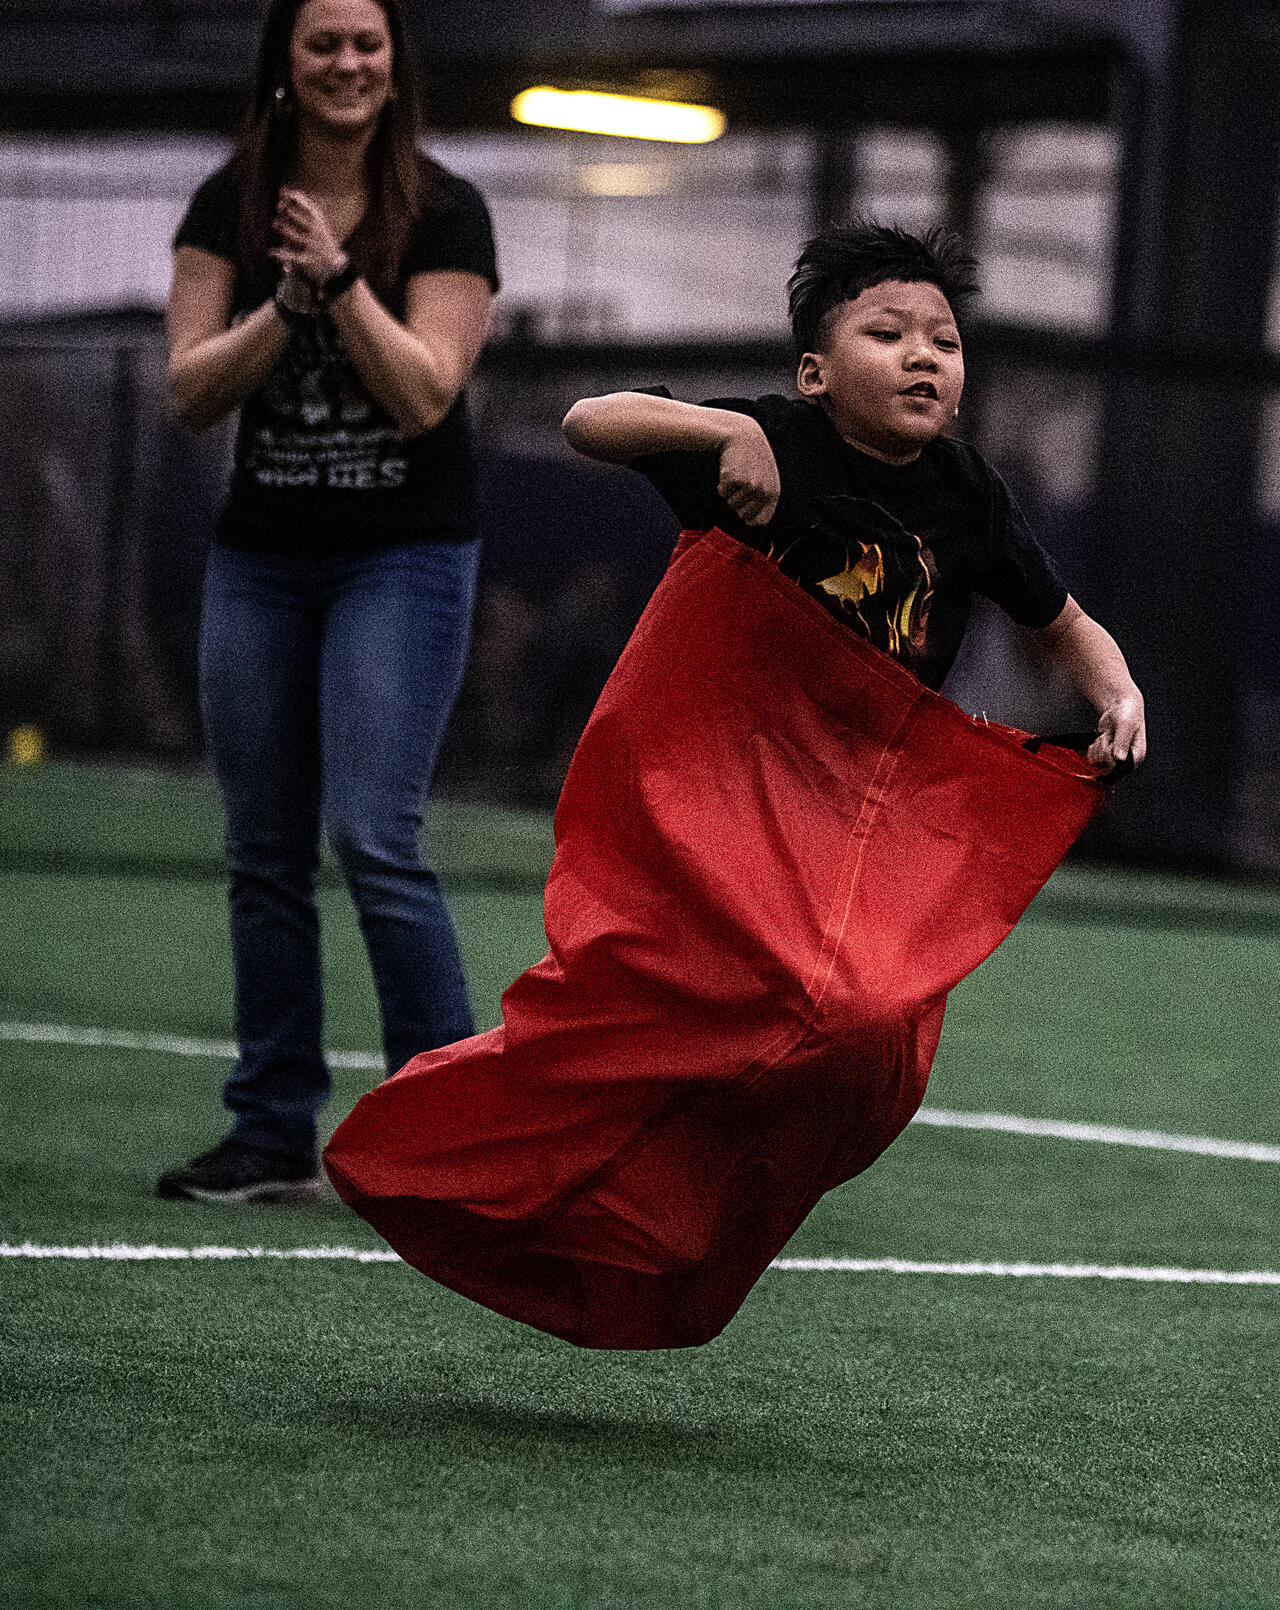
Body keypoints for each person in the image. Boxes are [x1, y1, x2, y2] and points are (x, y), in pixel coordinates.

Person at [322, 223, 1145, 1349]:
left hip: (854, 810)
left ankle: (678, 1205)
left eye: (943, 341)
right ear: (812, 373)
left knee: (869, 1052)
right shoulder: (773, 437)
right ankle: (455, 1130)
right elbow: (586, 421)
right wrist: (720, 431)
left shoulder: (964, 491)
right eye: (886, 332)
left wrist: (1114, 691)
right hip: (728, 787)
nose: (922, 356)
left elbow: (1062, 624)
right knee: (710, 1000)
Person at [157, 0, 498, 1204]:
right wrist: (284, 305)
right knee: (262, 852)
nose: (348, 63)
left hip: (399, 558)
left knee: (373, 834)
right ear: (285, 68)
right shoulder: (226, 206)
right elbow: (191, 391)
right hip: (263, 557)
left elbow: (425, 393)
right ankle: (269, 1131)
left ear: (394, 62)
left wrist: (342, 284)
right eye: (322, 44)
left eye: (367, 43)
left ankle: (451, 1135)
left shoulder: (447, 211)